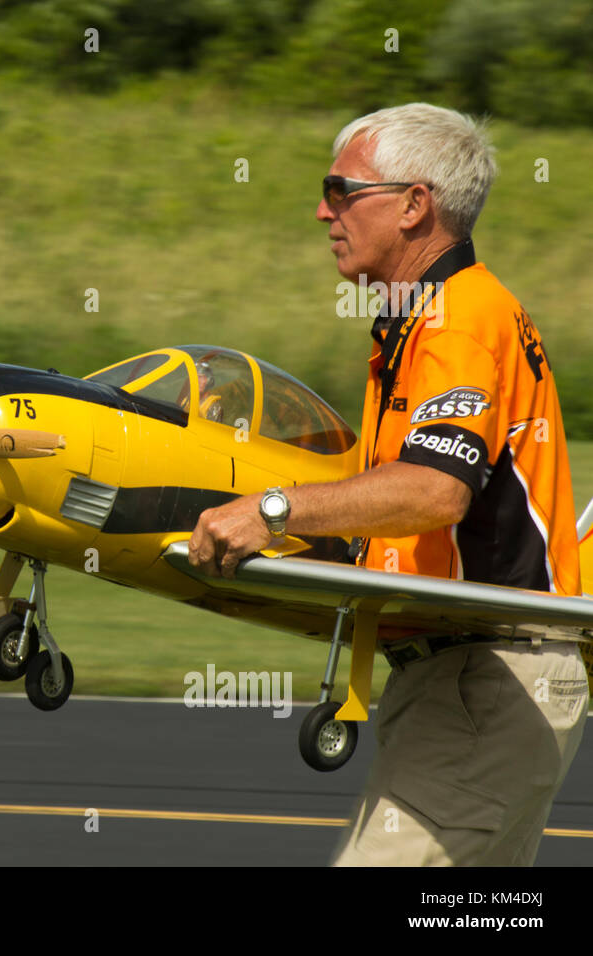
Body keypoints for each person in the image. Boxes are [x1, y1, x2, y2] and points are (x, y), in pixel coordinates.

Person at [187, 103, 588, 865]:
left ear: (414, 204)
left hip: (490, 674)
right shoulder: (421, 319)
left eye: (342, 191)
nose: (321, 211)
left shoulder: (458, 322)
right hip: (468, 676)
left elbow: (436, 491)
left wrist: (270, 511)